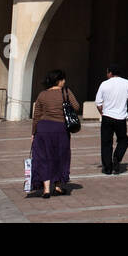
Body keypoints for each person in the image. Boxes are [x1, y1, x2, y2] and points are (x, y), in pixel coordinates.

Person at [30, 69, 79, 199]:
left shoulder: (42, 94)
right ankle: (57, 187)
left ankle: (46, 189)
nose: (64, 81)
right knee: (60, 156)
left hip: (43, 129)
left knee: (44, 157)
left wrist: (33, 133)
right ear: (59, 80)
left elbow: (36, 116)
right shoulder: (66, 92)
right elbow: (76, 107)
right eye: (63, 79)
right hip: (60, 129)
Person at [94, 64, 128, 175]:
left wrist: (102, 113)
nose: (106, 74)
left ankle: (107, 168)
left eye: (107, 72)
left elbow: (98, 103)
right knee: (123, 140)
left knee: (106, 143)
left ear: (110, 73)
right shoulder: (126, 83)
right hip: (121, 118)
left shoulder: (104, 84)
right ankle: (117, 157)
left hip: (107, 117)